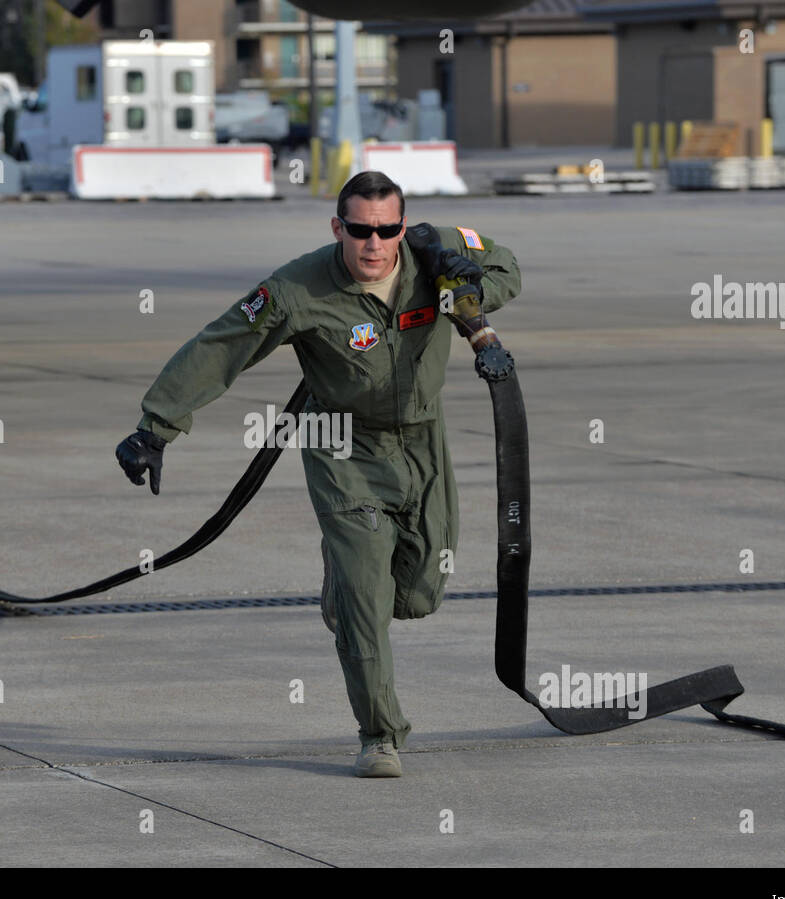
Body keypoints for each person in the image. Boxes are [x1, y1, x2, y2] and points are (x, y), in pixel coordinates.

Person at [115, 171, 521, 777]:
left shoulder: (435, 256)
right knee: (366, 600)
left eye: (387, 230)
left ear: (402, 227)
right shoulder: (298, 289)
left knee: (419, 592)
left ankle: (345, 587)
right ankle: (380, 734)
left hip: (424, 443)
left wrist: (466, 281)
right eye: (360, 230)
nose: (374, 244)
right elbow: (224, 344)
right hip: (344, 452)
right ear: (339, 227)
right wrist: (156, 425)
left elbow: (509, 269)